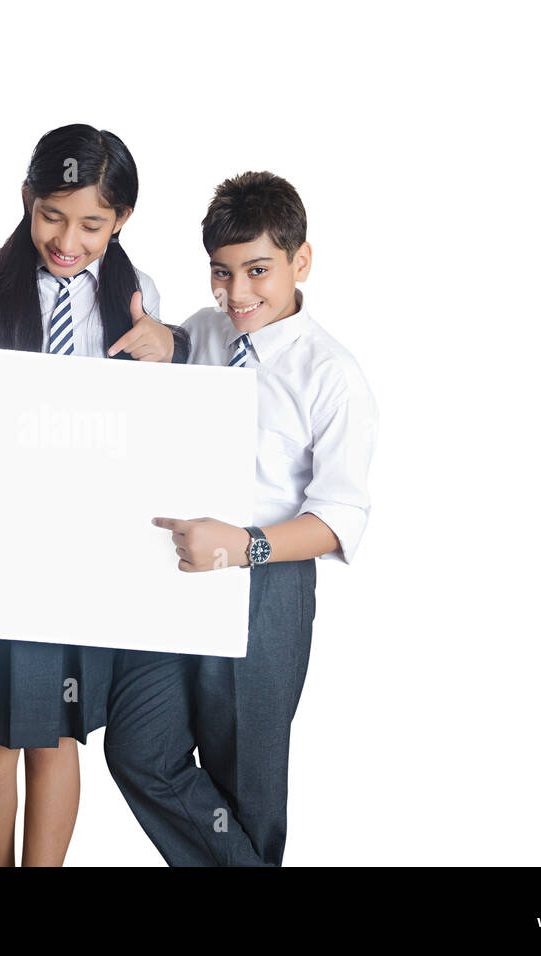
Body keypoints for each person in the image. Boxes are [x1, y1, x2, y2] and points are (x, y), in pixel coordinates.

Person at [0, 123, 188, 866]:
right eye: (51, 215)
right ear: (26, 200)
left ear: (122, 220)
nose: (67, 239)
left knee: (55, 735)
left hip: (81, 542)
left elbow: (146, 434)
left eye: (92, 224)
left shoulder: (138, 298)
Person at [105, 170, 377, 866]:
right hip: (177, 574)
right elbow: (171, 358)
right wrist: (161, 339)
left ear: (300, 262)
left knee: (245, 787)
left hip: (266, 584)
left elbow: (339, 518)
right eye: (221, 274)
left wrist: (244, 547)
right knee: (139, 748)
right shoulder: (206, 330)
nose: (238, 293)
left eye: (257, 271)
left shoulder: (330, 374)